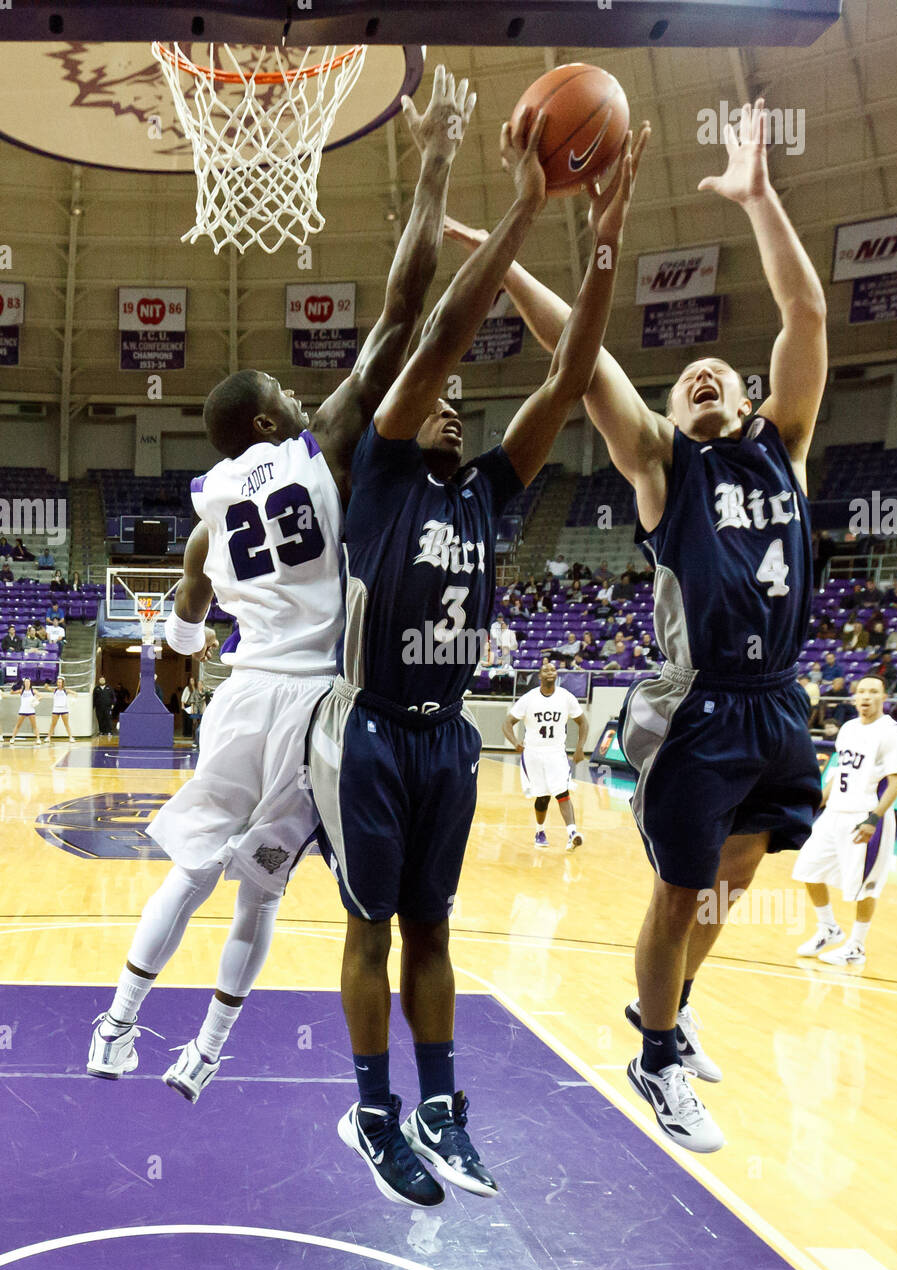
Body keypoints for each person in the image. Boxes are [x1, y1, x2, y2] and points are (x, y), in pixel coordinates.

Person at [85, 67, 476, 1099]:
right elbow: (400, 316)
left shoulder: (210, 499)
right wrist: (431, 163)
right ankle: (207, 1052)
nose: (306, 396)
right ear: (270, 419)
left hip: (243, 693)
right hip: (317, 707)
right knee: (258, 896)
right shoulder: (317, 446)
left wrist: (177, 654)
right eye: (289, 393)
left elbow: (182, 620)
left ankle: (117, 1026)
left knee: (190, 867)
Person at [450, 98, 826, 1153]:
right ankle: (655, 1055)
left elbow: (807, 318)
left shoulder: (787, 451)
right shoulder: (666, 465)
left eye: (721, 376)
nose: (701, 377)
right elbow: (578, 352)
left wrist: (759, 198)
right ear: (674, 407)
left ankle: (669, 1009)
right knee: (677, 891)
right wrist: (515, 255)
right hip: (696, 705)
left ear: (751, 400)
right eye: (685, 378)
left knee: (743, 872)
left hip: (781, 706)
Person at [308, 114, 647, 1205]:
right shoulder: (386, 471)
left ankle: (443, 1104)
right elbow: (444, 333)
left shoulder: (487, 495)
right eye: (437, 393)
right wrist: (523, 205)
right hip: (366, 728)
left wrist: (604, 238)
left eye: (461, 399)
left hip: (450, 736)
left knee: (433, 926)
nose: (451, 400)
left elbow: (571, 373)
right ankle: (371, 1110)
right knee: (370, 928)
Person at [793, 676, 897, 970]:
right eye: (862, 692)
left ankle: (856, 946)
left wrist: (873, 819)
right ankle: (829, 928)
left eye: (873, 692)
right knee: (808, 869)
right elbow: (837, 773)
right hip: (834, 815)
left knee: (864, 887)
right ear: (854, 698)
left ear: (884, 698)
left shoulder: (891, 733)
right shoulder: (848, 728)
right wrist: (815, 804)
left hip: (865, 816)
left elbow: (896, 784)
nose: (866, 697)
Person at [503, 659, 589, 849]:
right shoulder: (528, 698)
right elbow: (507, 723)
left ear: (556, 675)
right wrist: (515, 742)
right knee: (542, 797)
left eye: (553, 669)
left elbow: (583, 722)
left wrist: (580, 746)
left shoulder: (566, 697)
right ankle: (539, 831)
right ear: (540, 675)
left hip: (556, 752)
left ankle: (572, 833)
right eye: (546, 669)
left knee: (562, 791)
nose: (550, 671)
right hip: (533, 752)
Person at [4, 677, 44, 745]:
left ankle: (38, 739)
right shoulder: (21, 690)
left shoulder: (33, 691)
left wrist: (36, 700)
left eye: (28, 682)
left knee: (34, 726)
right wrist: (14, 687)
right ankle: (12, 738)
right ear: (24, 683)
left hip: (31, 711)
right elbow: (11, 693)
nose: (27, 683)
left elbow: (41, 696)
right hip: (22, 710)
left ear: (30, 683)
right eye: (26, 682)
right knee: (18, 725)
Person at [47, 676, 76, 743]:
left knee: (66, 724)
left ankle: (71, 738)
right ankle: (48, 737)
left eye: (60, 682)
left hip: (64, 710)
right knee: (53, 724)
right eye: (58, 682)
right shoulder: (55, 690)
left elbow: (75, 694)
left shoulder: (66, 690)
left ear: (63, 683)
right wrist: (47, 681)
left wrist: (74, 700)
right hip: (56, 709)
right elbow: (47, 687)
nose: (59, 683)